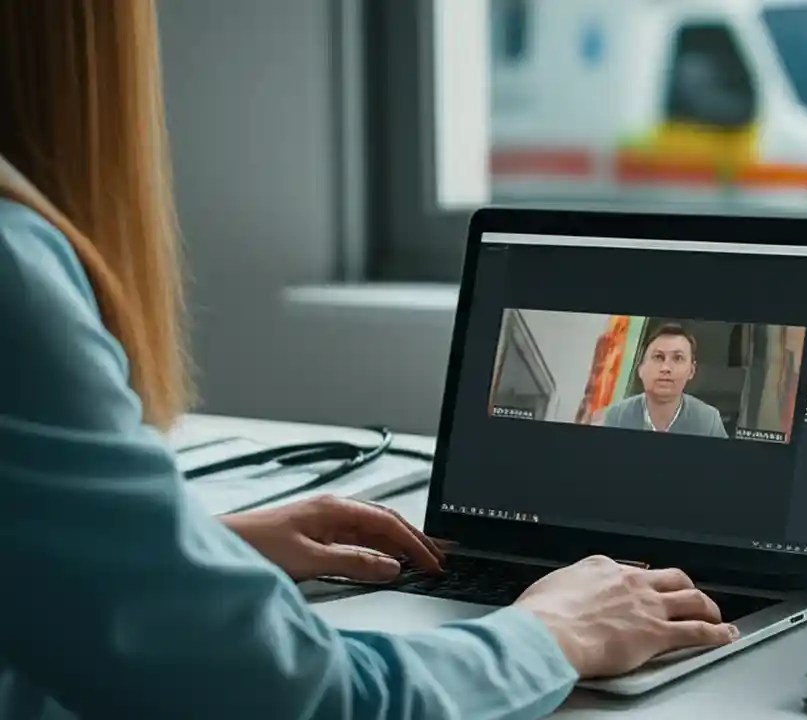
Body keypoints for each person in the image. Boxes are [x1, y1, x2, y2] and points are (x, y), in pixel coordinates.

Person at [0, 2, 735, 718]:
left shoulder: (708, 424)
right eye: (657, 354)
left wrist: (187, 557)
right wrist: (555, 634)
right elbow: (309, 699)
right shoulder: (14, 270)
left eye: (679, 357)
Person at [601, 324, 729, 438]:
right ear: (640, 369)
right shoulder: (616, 417)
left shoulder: (708, 421)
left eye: (678, 358)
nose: (666, 368)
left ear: (691, 371)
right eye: (658, 357)